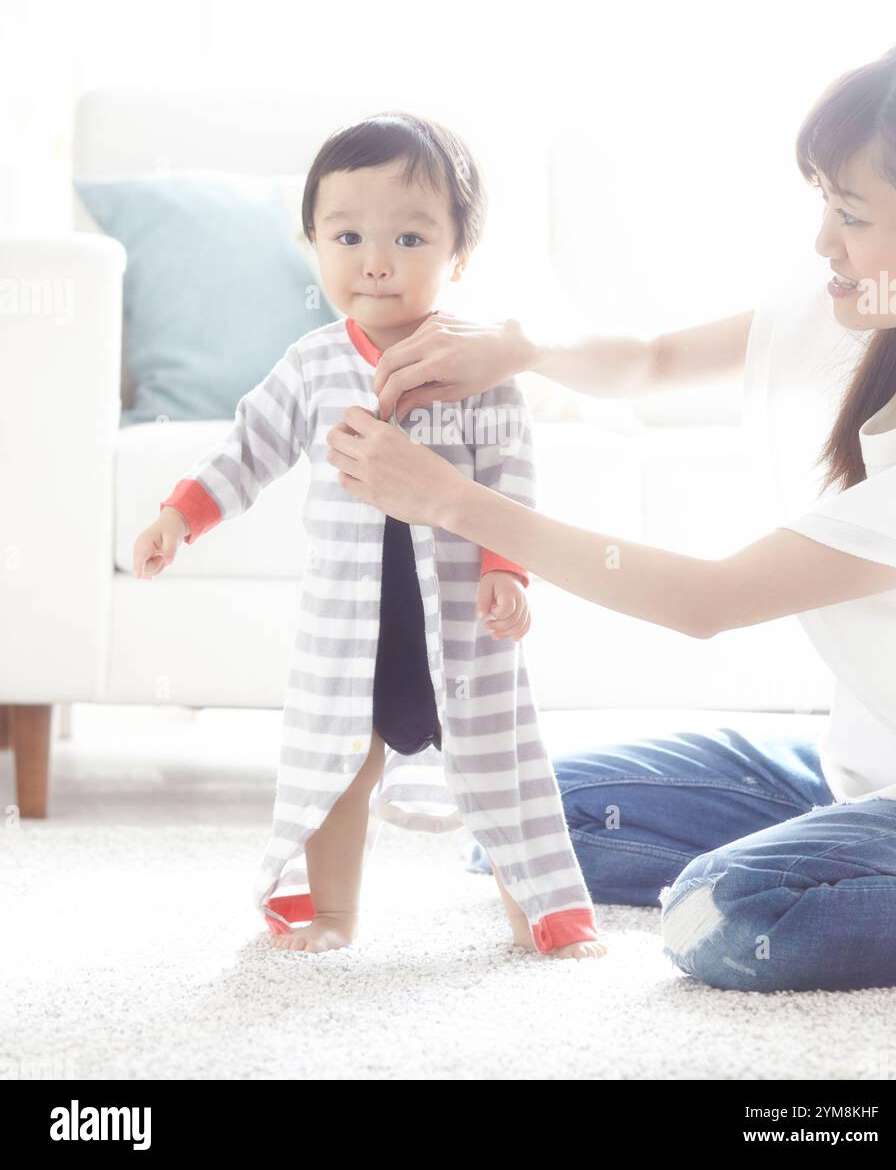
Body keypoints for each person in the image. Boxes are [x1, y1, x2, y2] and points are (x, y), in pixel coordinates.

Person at [323, 40, 896, 992]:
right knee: (522, 815)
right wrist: (513, 348)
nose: (824, 243)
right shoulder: (859, 307)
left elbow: (709, 600)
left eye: (851, 214)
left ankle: (816, 867)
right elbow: (648, 361)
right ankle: (835, 849)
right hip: (856, 772)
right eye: (822, 202)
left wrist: (446, 499)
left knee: (728, 912)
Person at [132, 111, 606, 961]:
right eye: (347, 234)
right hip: (346, 623)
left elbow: (511, 477)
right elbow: (248, 447)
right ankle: (332, 914)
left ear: (460, 254)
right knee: (338, 767)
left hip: (460, 621)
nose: (376, 259)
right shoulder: (312, 365)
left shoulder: (477, 368)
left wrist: (507, 570)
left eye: (410, 236)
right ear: (312, 242)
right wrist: (181, 515)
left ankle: (542, 916)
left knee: (503, 763)